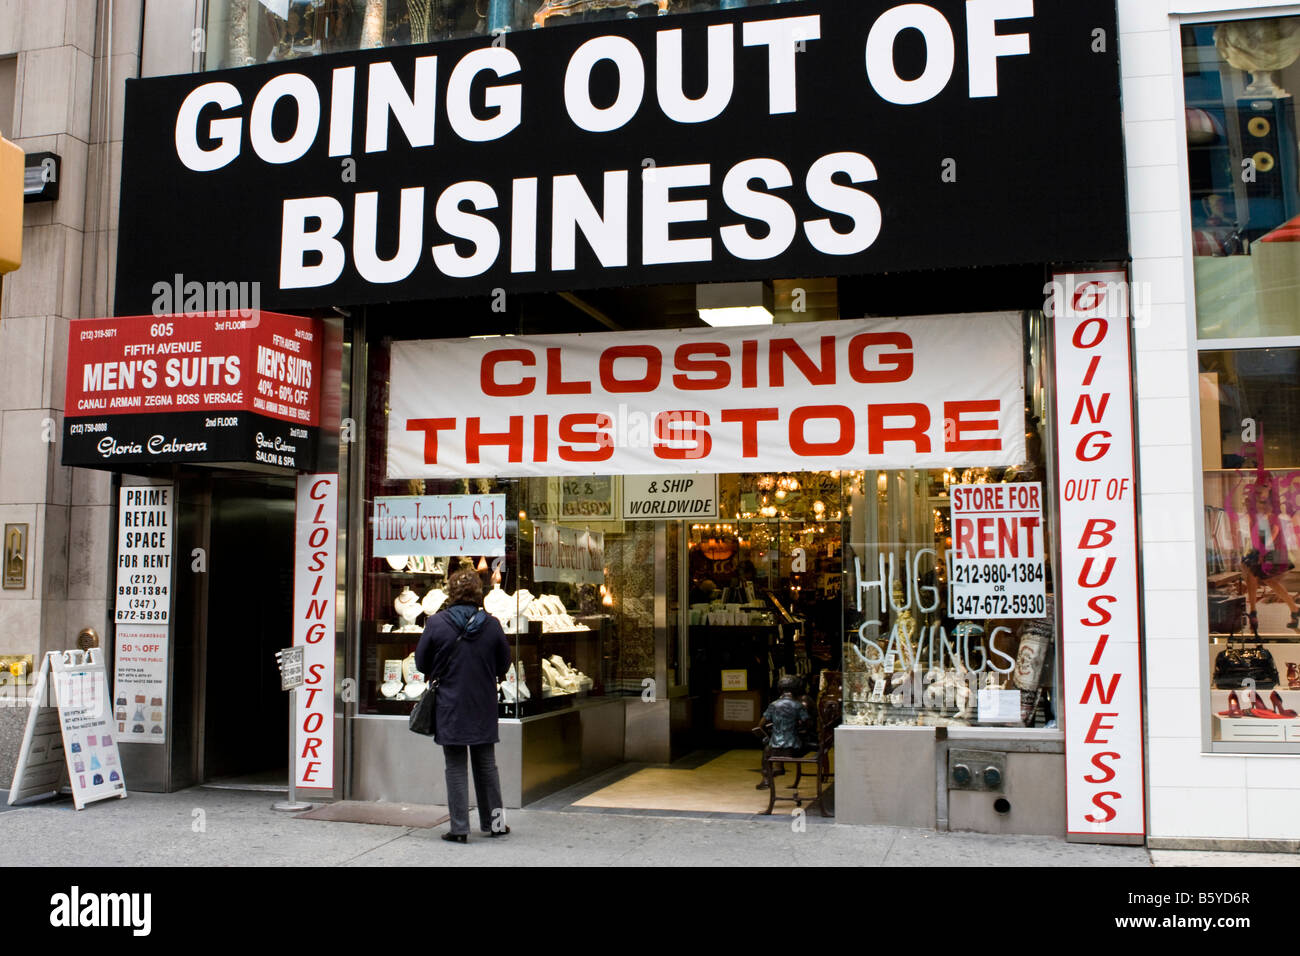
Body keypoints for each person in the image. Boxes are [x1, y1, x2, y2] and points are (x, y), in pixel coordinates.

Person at [415, 568, 512, 843]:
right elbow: (504, 664)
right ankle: (494, 825)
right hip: (482, 703)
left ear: (451, 592)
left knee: (455, 765)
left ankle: (459, 829)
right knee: (487, 764)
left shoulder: (436, 623)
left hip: (450, 703)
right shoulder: (491, 624)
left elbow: (421, 663)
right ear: (478, 592)